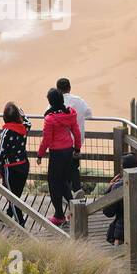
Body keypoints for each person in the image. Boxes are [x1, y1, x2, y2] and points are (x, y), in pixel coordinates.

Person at [36, 87, 81, 227]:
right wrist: (77, 148)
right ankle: (75, 209)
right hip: (68, 151)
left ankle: (59, 216)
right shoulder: (70, 113)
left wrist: (40, 154)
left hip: (56, 154)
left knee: (54, 184)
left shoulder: (50, 118)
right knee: (64, 182)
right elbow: (77, 133)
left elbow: (46, 140)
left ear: (50, 101)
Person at [0, 102, 31, 226]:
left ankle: (20, 225)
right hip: (24, 165)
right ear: (18, 116)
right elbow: (28, 122)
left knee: (12, 198)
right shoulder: (24, 128)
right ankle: (8, 215)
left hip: (11, 169)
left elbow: (1, 152)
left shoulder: (6, 132)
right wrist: (22, 115)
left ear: (5, 117)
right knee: (15, 195)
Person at [56, 78, 93, 195]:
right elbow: (89, 114)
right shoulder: (78, 101)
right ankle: (77, 192)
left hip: (60, 144)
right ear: (70, 88)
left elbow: (47, 116)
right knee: (74, 167)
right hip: (76, 142)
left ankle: (67, 195)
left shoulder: (55, 102)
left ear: (57, 89)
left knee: (62, 170)